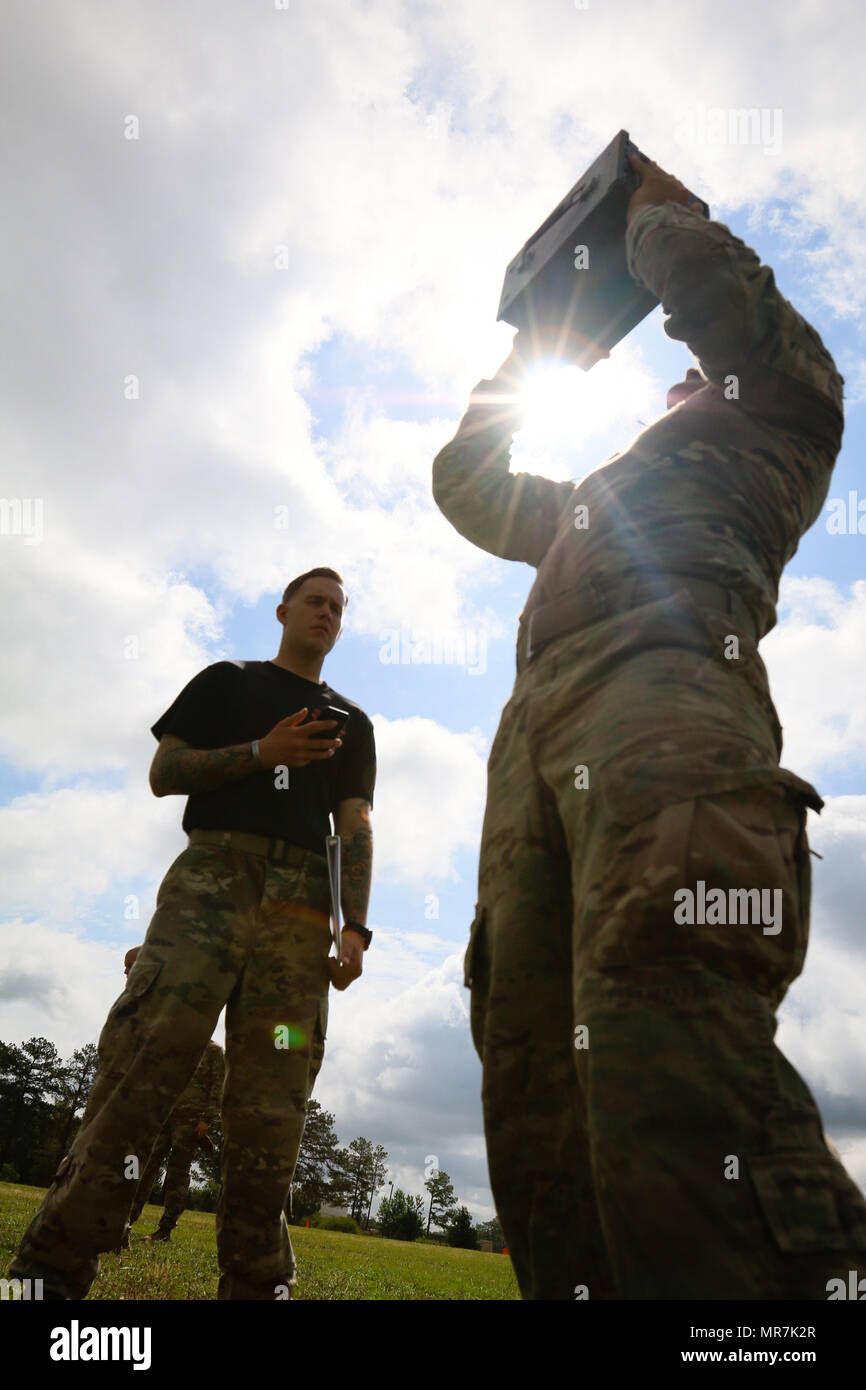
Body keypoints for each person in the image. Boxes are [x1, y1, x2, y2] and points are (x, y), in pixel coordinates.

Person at [431, 155, 866, 1299]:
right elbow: (465, 486)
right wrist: (534, 352)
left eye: (692, 369)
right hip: (528, 746)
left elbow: (718, 303)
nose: (677, 377)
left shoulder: (786, 409)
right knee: (536, 1099)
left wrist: (652, 215)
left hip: (662, 685)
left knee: (663, 1037)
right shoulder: (596, 497)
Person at [9, 567, 376, 1299]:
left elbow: (354, 826)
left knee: (272, 1110)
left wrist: (356, 927)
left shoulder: (352, 722)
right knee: (140, 1072)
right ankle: (46, 1277)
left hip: (302, 912)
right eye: (315, 600)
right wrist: (259, 754)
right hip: (211, 883)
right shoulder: (227, 682)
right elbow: (164, 772)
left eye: (338, 607)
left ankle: (257, 1284)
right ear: (283, 609)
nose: (327, 614)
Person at [116, 945, 225, 1246]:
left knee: (177, 1175)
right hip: (165, 1114)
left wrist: (206, 1121)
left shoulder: (215, 1052)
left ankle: (165, 1229)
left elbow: (218, 1090)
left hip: (190, 1123)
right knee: (146, 1167)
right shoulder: (177, 1042)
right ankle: (126, 1221)